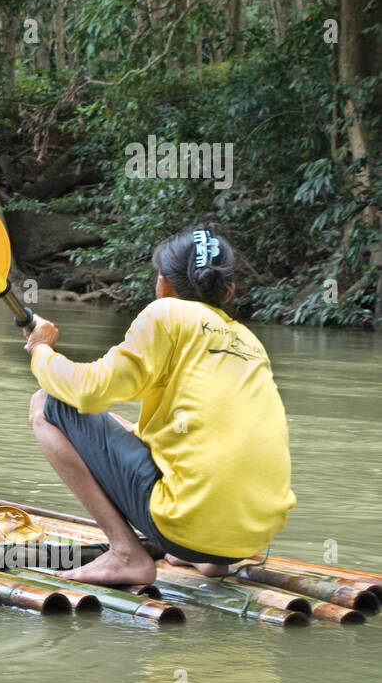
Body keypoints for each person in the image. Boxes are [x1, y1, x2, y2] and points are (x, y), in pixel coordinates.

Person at [23, 227, 296, 586]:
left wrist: (42, 350)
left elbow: (88, 392)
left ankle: (126, 554)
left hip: (185, 524)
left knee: (46, 404)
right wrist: (135, 432)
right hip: (252, 536)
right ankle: (212, 560)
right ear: (227, 291)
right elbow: (214, 425)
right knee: (125, 426)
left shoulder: (166, 313)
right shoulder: (249, 340)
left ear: (163, 284)